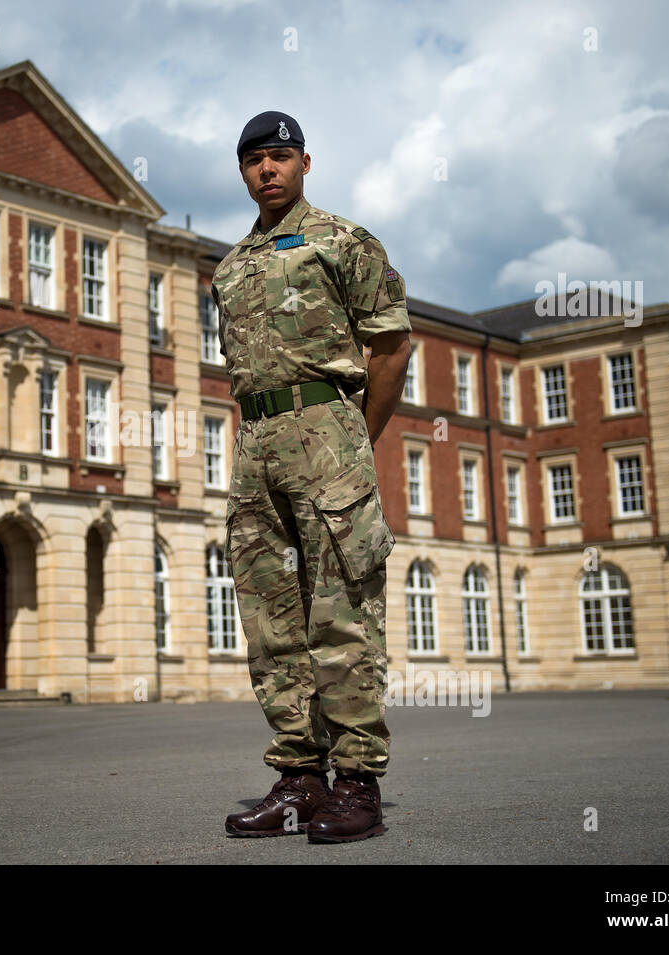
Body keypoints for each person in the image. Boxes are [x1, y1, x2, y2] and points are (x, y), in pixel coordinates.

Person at [211, 110, 411, 844]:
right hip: (255, 442)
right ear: (242, 171)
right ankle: (298, 776)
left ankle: (356, 780)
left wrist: (356, 435)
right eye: (254, 159)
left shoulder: (344, 242)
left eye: (280, 156)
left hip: (329, 430)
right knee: (272, 620)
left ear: (304, 163)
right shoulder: (229, 268)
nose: (268, 169)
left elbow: (388, 347)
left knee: (342, 610)